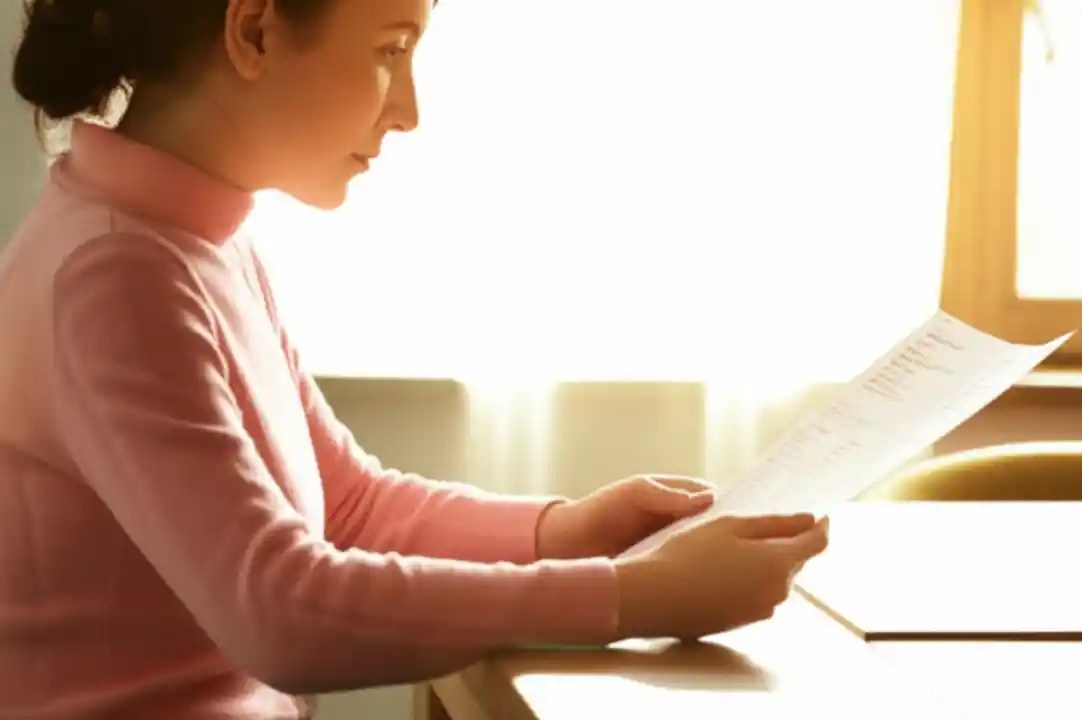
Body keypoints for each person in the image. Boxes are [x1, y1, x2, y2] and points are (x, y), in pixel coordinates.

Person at [0, 0, 831, 717]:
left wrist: (566, 532)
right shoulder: (115, 275)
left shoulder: (196, 241)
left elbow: (349, 505)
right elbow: (281, 614)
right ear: (253, 31)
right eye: (389, 52)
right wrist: (635, 597)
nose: (408, 109)